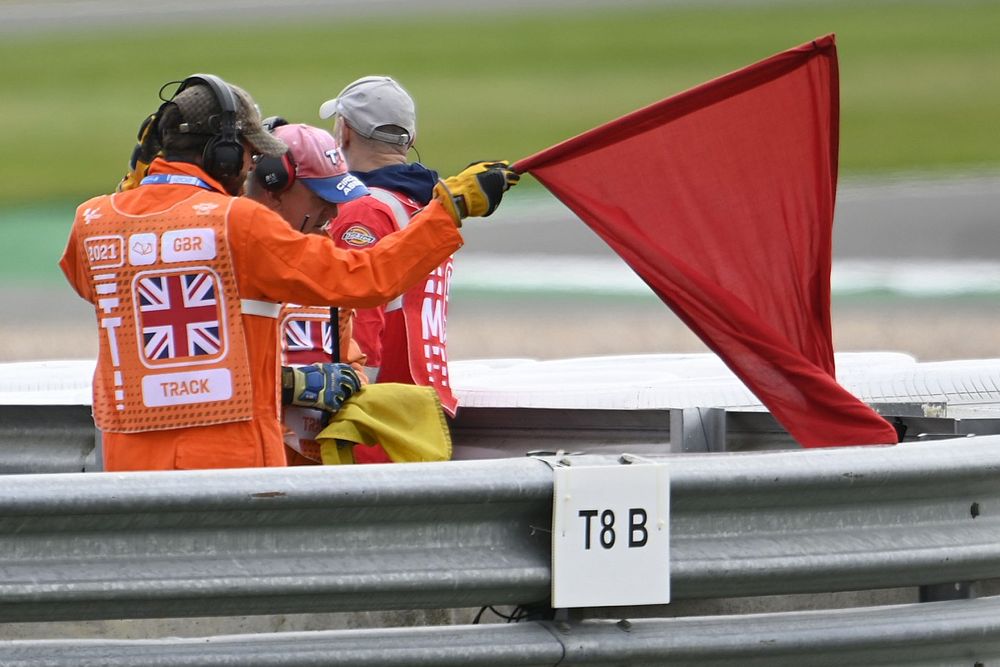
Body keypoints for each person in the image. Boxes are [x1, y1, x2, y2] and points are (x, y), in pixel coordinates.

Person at [58, 73, 518, 472]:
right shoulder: (238, 223)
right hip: (232, 464)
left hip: (127, 464)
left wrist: (135, 184)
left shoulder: (93, 221)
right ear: (223, 155)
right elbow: (365, 278)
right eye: (248, 154)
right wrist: (449, 209)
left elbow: (88, 281)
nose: (252, 167)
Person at [321, 76, 511, 421]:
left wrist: (347, 413)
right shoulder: (428, 207)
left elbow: (360, 331)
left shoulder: (364, 211)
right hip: (424, 405)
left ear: (343, 132)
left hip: (380, 416)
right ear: (410, 139)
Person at [243, 120, 373, 465]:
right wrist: (289, 383)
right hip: (249, 466)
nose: (332, 213)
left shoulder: (326, 258)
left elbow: (347, 356)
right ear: (274, 188)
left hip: (317, 469)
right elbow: (200, 375)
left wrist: (351, 380)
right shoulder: (225, 256)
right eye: (321, 199)